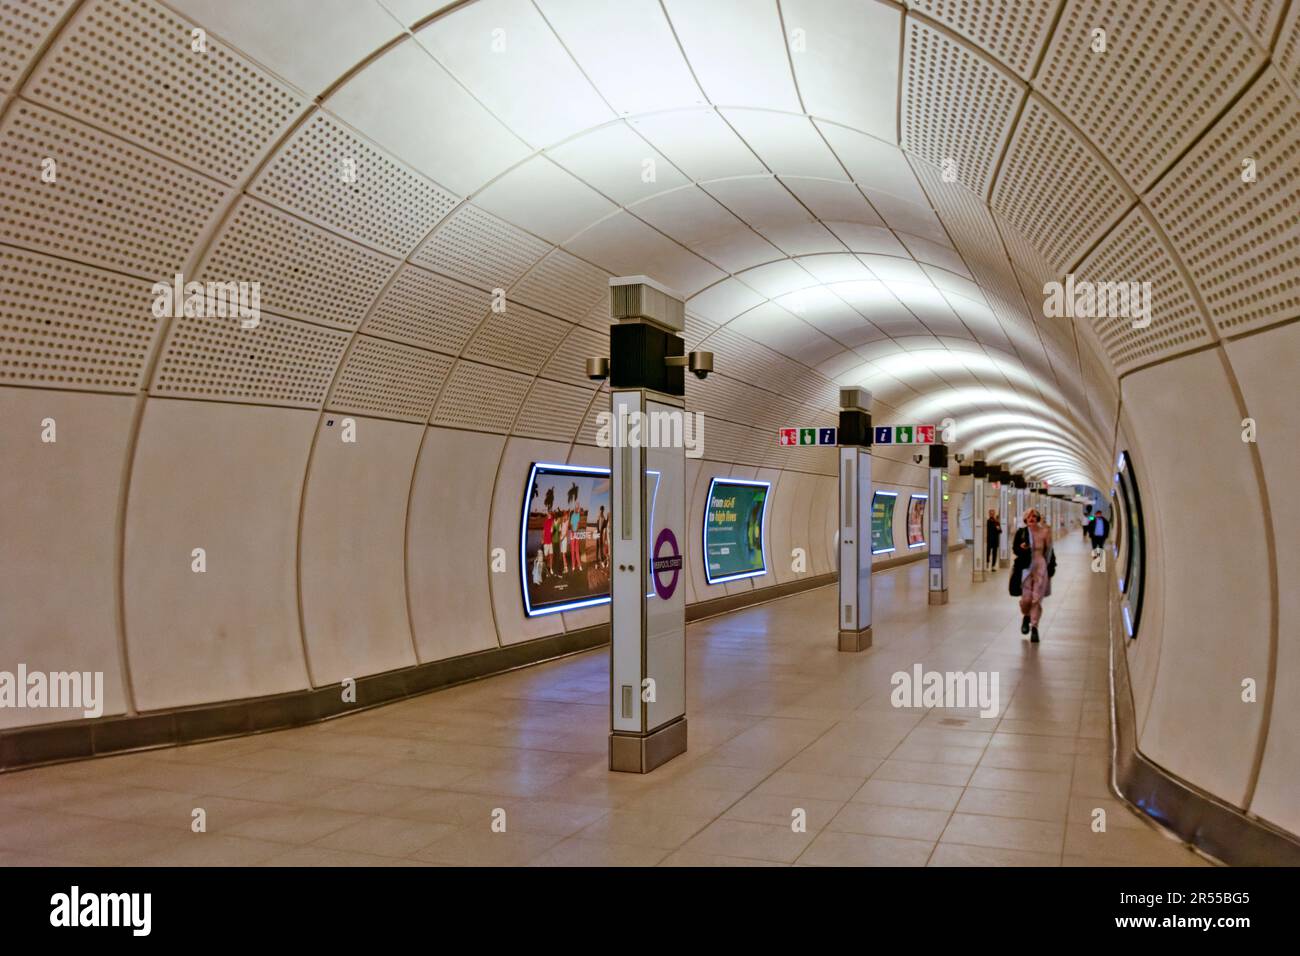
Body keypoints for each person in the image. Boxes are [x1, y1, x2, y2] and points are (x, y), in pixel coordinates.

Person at [1009, 507, 1054, 643]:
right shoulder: (1021, 533)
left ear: (1038, 518)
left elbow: (1049, 552)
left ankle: (1034, 627)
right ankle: (1026, 616)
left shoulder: (1045, 532)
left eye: (1034, 517)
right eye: (1029, 517)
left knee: (1036, 598)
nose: (1032, 519)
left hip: (1040, 566)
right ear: (1025, 520)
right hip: (1025, 567)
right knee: (1026, 600)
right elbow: (1015, 549)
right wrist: (1021, 548)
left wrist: (1049, 568)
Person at [542, 510, 555, 577]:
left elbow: (552, 530)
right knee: (546, 556)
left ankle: (551, 569)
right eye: (548, 514)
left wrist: (552, 526)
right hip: (545, 542)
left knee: (551, 556)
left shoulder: (552, 521)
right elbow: (543, 531)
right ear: (547, 515)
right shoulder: (545, 522)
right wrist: (542, 539)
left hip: (550, 542)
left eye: (550, 514)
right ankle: (546, 569)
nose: (549, 515)